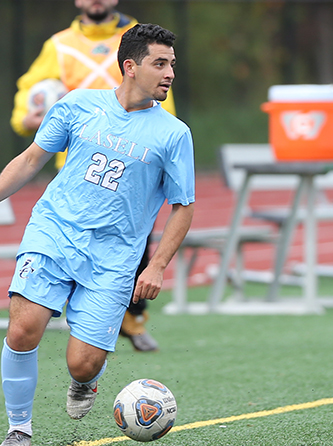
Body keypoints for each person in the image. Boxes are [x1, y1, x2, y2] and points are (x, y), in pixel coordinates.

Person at [0, 23, 194, 446]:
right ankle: (19, 429)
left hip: (114, 258)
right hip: (54, 232)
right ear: (130, 67)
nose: (170, 74)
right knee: (21, 331)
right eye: (159, 64)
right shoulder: (78, 105)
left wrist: (157, 265)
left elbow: (184, 206)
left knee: (83, 363)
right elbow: (32, 159)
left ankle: (85, 381)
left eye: (172, 65)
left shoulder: (174, 134)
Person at [10, 0, 178, 352]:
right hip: (76, 167)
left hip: (134, 170)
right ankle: (63, 309)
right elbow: (32, 90)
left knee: (135, 249)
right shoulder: (59, 45)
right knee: (64, 245)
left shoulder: (138, 38)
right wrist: (25, 118)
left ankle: (130, 320)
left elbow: (165, 108)